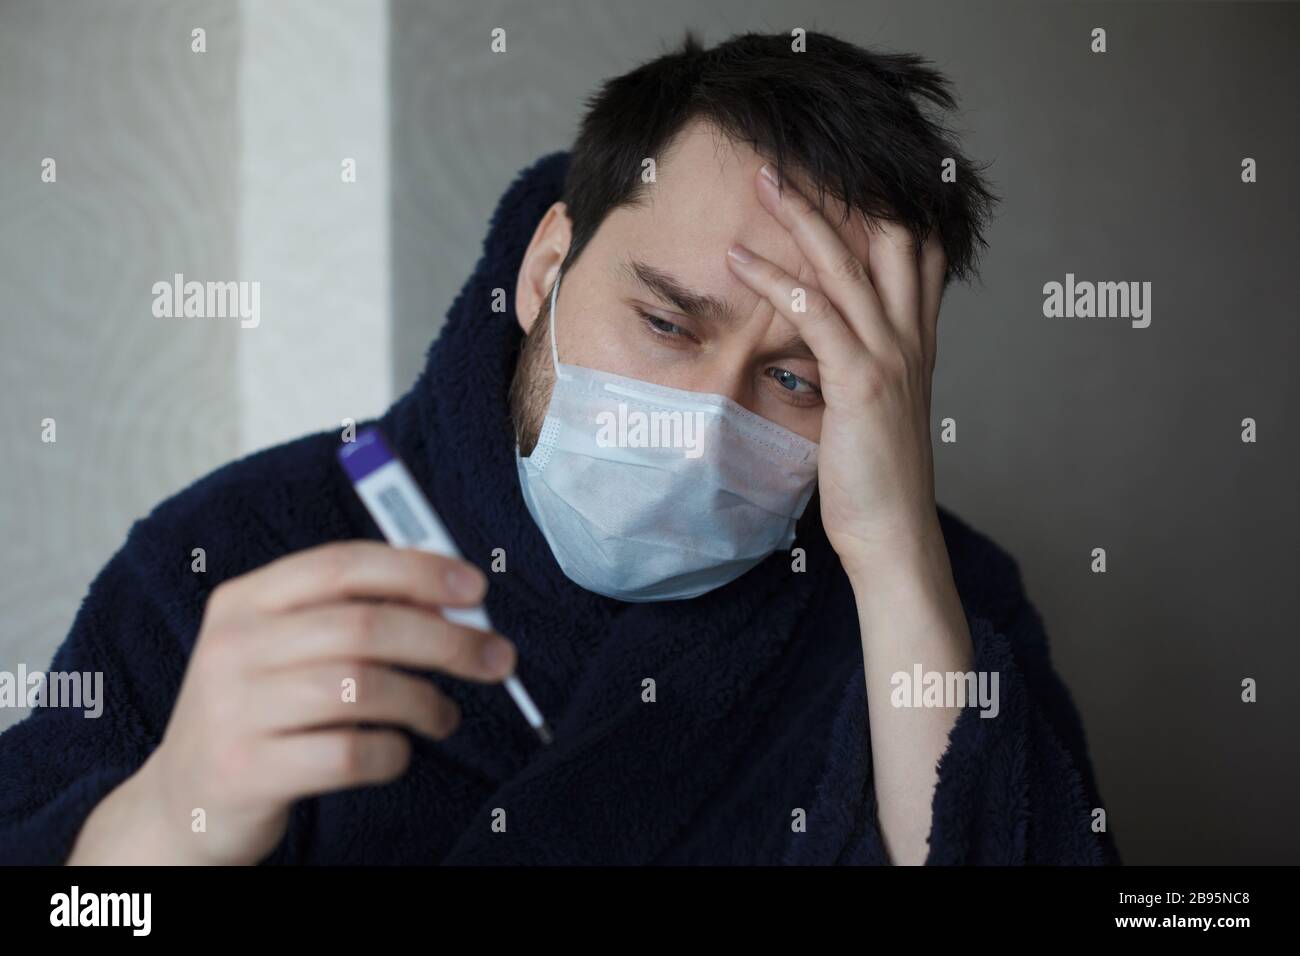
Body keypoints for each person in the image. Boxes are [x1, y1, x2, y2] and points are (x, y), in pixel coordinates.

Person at [0, 31, 1119, 865]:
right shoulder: (234, 551)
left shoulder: (934, 604)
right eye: (667, 321)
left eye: (797, 379)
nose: (697, 427)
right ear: (549, 265)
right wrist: (160, 820)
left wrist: (888, 552)